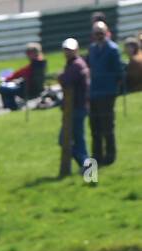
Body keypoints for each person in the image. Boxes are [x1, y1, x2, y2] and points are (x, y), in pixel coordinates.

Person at [87, 21, 122, 166]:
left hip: (107, 93)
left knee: (107, 125)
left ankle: (110, 155)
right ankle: (96, 155)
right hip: (94, 93)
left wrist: (112, 89)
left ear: (106, 32)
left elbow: (118, 73)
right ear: (93, 35)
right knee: (94, 126)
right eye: (96, 33)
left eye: (101, 32)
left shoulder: (113, 49)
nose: (99, 35)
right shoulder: (92, 49)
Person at [60, 38, 91, 171]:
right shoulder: (75, 63)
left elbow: (66, 81)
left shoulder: (76, 65)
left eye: (70, 50)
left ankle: (87, 165)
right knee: (79, 140)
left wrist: (60, 76)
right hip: (79, 106)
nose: (68, 52)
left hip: (76, 107)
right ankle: (86, 167)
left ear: (76, 50)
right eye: (66, 50)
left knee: (65, 140)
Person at [0, 42, 47, 110]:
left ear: (32, 53)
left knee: (3, 88)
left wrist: (8, 78)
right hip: (36, 88)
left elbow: (20, 73)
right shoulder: (41, 61)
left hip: (29, 90)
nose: (27, 55)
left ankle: (12, 107)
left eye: (28, 53)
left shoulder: (35, 64)